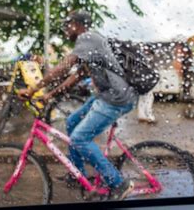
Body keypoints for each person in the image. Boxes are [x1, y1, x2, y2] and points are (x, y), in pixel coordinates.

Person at [18, 10, 137, 200]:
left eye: (68, 24)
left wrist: (33, 89)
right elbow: (77, 76)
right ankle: (77, 174)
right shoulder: (90, 43)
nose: (66, 30)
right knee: (72, 121)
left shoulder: (87, 37)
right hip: (106, 95)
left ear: (78, 24)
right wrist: (49, 94)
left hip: (116, 98)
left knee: (79, 139)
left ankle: (118, 184)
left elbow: (64, 67)